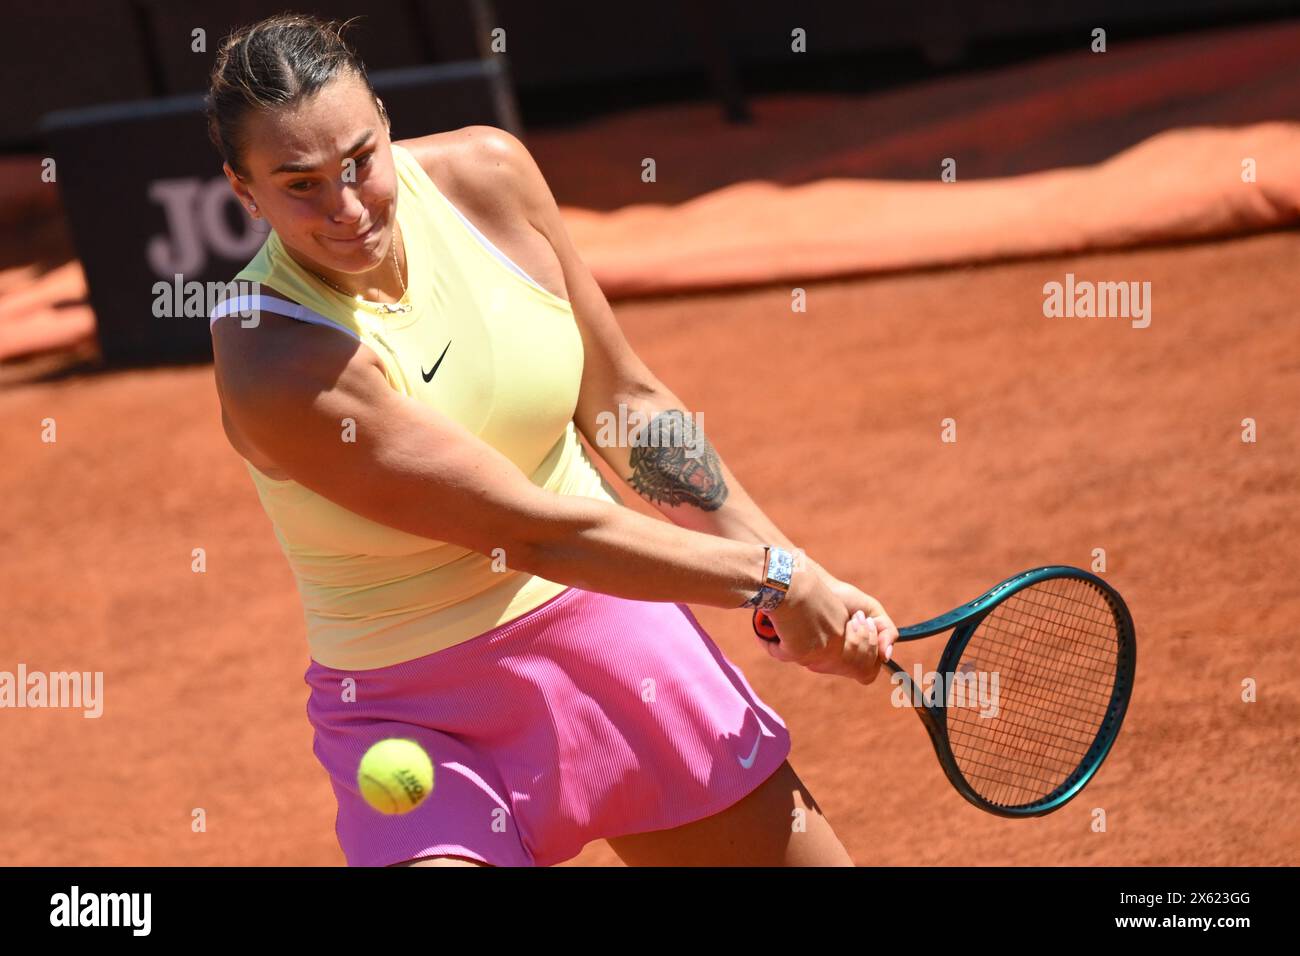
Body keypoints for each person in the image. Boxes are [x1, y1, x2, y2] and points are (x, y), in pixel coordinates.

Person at [205, 13, 898, 867]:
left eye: (359, 162)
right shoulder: (271, 357)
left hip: (613, 633)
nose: (347, 207)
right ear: (244, 192)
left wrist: (795, 573)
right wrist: (774, 582)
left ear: (386, 120)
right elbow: (531, 532)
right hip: (418, 722)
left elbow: (627, 402)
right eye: (300, 184)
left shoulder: (490, 177)